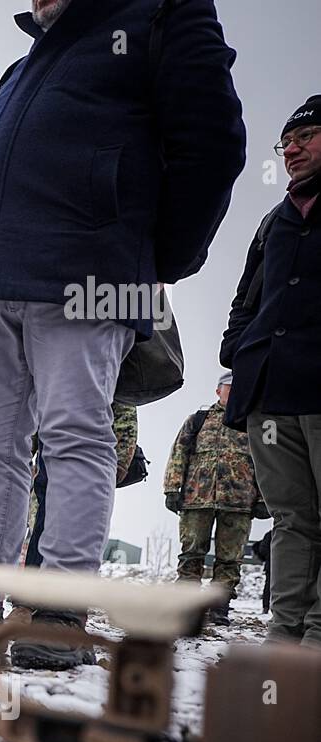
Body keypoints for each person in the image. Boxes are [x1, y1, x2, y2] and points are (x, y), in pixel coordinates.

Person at [0, 0, 246, 671]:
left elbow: (214, 142)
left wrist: (148, 257)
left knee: (75, 434)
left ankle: (57, 613)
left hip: (90, 274)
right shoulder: (24, 67)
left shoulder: (161, 14)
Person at [221, 94, 321, 647]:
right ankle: (284, 640)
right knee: (291, 519)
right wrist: (237, 352)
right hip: (271, 388)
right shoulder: (274, 221)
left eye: (305, 136)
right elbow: (245, 297)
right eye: (285, 141)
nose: (291, 148)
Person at [163, 373, 264, 628]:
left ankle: (219, 608)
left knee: (230, 559)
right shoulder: (198, 420)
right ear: (218, 391)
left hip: (239, 501)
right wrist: (171, 488)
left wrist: (263, 498)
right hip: (197, 498)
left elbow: (265, 463)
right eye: (228, 388)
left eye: (237, 389)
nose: (232, 393)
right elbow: (179, 453)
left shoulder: (252, 423)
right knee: (191, 554)